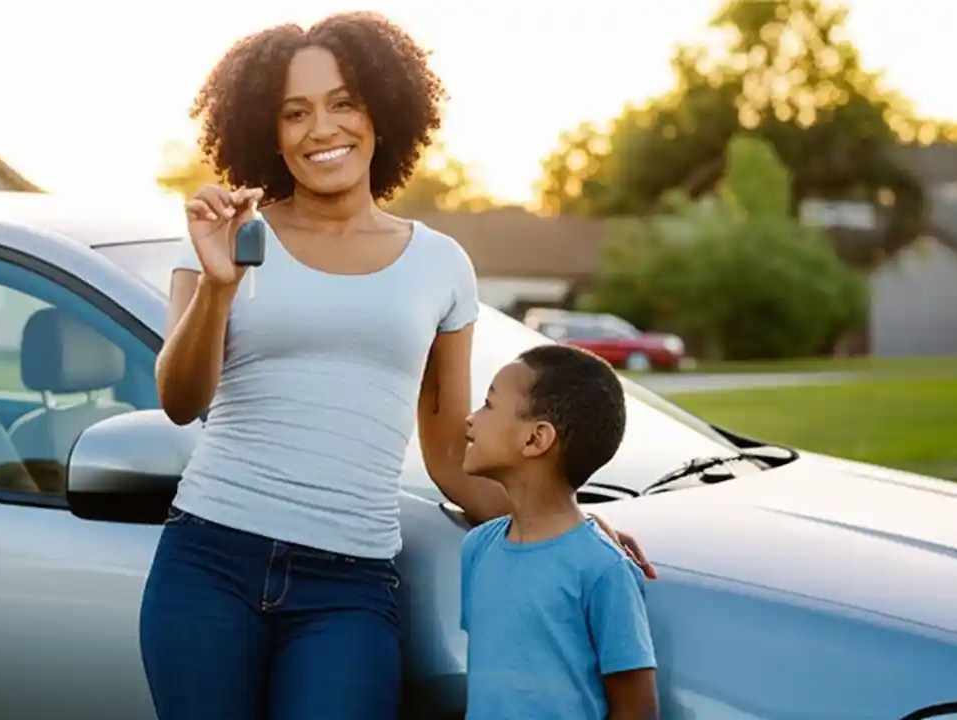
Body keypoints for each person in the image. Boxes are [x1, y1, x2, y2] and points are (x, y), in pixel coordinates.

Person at [142, 11, 654, 720]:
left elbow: (451, 453)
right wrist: (219, 284)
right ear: (268, 130)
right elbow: (179, 399)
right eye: (295, 112)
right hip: (209, 563)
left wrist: (570, 522)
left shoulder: (439, 264)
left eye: (343, 102)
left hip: (347, 585)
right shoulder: (225, 240)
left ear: (382, 109)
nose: (323, 130)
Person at [461, 344, 659, 720]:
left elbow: (638, 709)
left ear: (535, 439)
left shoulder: (605, 569)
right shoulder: (478, 549)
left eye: (488, 405)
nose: (470, 419)